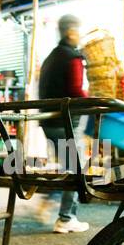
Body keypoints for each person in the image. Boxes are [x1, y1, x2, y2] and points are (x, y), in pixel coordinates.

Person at [37, 14, 90, 233]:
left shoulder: (51, 57)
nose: (79, 36)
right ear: (70, 32)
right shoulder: (72, 57)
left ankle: (50, 200)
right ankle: (66, 218)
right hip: (65, 123)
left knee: (68, 165)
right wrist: (92, 99)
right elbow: (76, 90)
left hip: (48, 122)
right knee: (76, 169)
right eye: (78, 31)